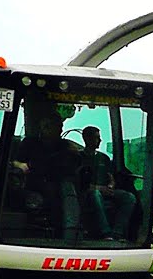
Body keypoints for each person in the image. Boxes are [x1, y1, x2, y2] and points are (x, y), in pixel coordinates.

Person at [10, 100, 81, 240]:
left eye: (58, 126)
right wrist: (21, 166)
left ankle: (71, 233)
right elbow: (14, 161)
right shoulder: (29, 143)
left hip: (60, 182)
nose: (57, 129)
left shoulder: (65, 146)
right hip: (34, 181)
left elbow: (76, 164)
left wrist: (75, 153)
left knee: (68, 187)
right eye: (50, 126)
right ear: (42, 127)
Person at [80, 126, 136, 240]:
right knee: (95, 195)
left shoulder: (103, 158)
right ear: (86, 139)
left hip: (105, 191)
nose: (100, 140)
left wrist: (110, 186)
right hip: (87, 193)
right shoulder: (78, 157)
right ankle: (106, 233)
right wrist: (98, 188)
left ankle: (118, 233)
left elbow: (110, 177)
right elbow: (78, 183)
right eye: (97, 138)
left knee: (129, 197)